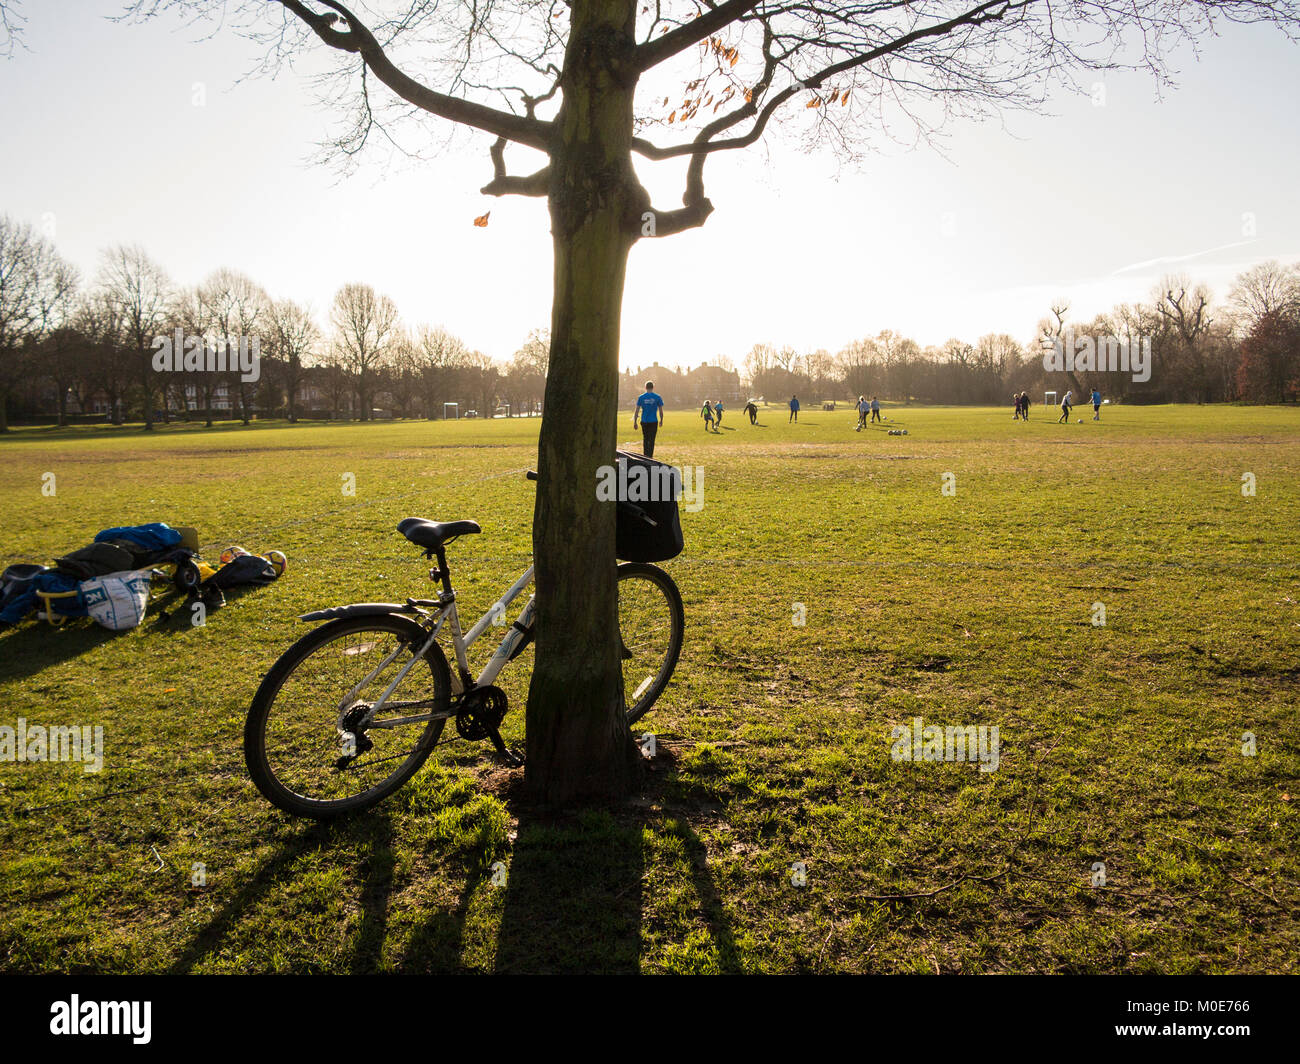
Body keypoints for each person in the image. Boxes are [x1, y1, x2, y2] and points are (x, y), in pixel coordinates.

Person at [632, 380, 664, 457]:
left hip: (644, 421)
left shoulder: (641, 397)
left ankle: (645, 456)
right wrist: (661, 420)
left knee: (645, 439)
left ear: (645, 387)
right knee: (652, 440)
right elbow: (661, 411)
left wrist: (635, 422)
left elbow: (636, 411)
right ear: (653, 387)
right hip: (653, 421)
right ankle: (650, 456)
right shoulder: (657, 397)